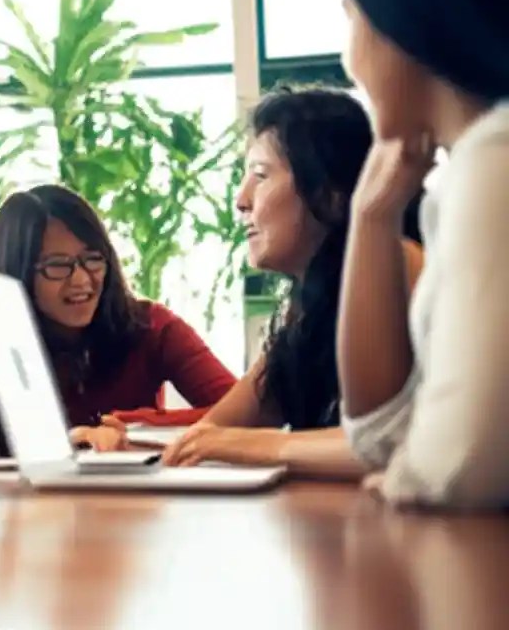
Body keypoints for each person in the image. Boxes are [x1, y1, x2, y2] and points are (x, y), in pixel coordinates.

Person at [335, 0, 509, 508]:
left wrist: (412, 473)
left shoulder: (496, 162)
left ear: (401, 20)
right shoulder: (470, 172)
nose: (348, 60)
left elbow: (459, 467)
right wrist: (371, 215)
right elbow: (385, 438)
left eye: (351, 18)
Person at [161, 87, 423, 478]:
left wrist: (265, 445)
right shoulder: (305, 307)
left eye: (260, 177)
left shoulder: (401, 265)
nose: (241, 200)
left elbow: (404, 445)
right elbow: (217, 430)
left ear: (331, 196)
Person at [0, 184, 237, 469]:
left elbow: (245, 413)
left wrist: (129, 428)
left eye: (92, 260)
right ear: (17, 275)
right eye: (57, 266)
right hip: (34, 520)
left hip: (138, 511)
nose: (81, 280)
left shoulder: (153, 326)